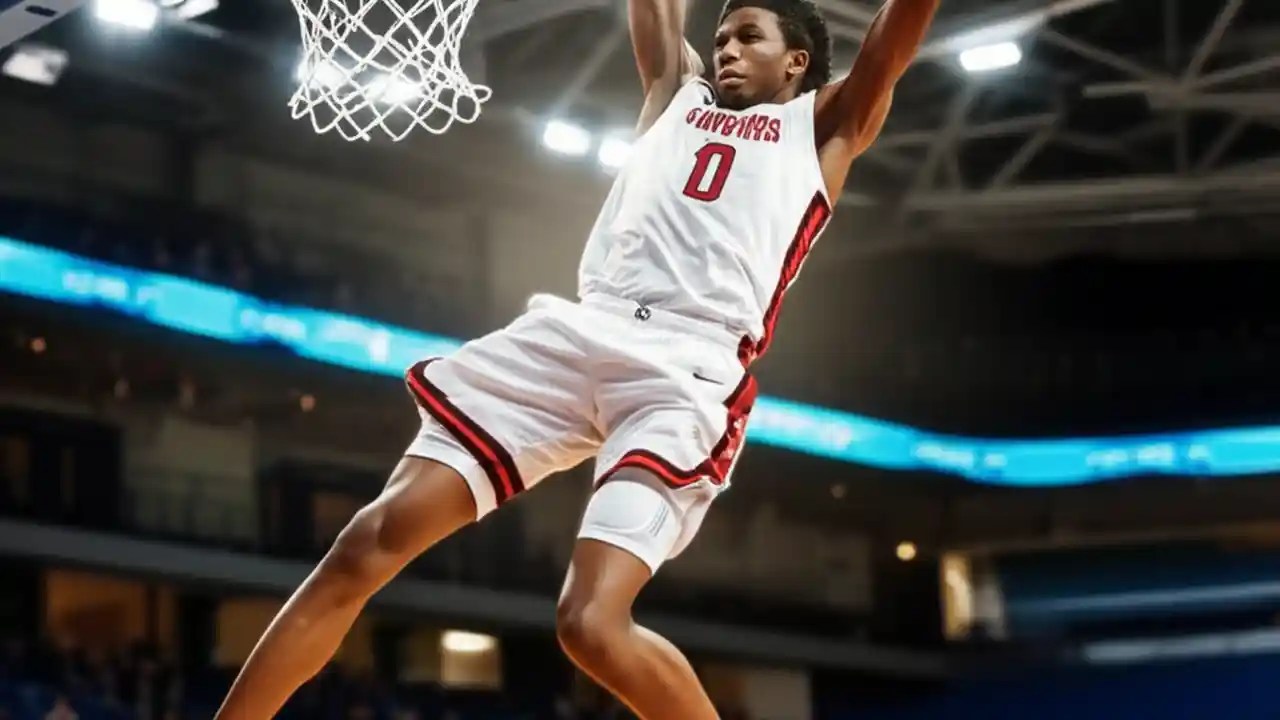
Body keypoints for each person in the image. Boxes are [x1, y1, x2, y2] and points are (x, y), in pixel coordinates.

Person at [214, 0, 939, 718]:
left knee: (589, 624)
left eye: (747, 36)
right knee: (368, 539)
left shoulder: (821, 127)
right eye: (718, 36)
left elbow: (891, 41)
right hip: (579, 331)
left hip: (683, 370)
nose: (724, 48)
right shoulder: (672, 91)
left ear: (797, 62)